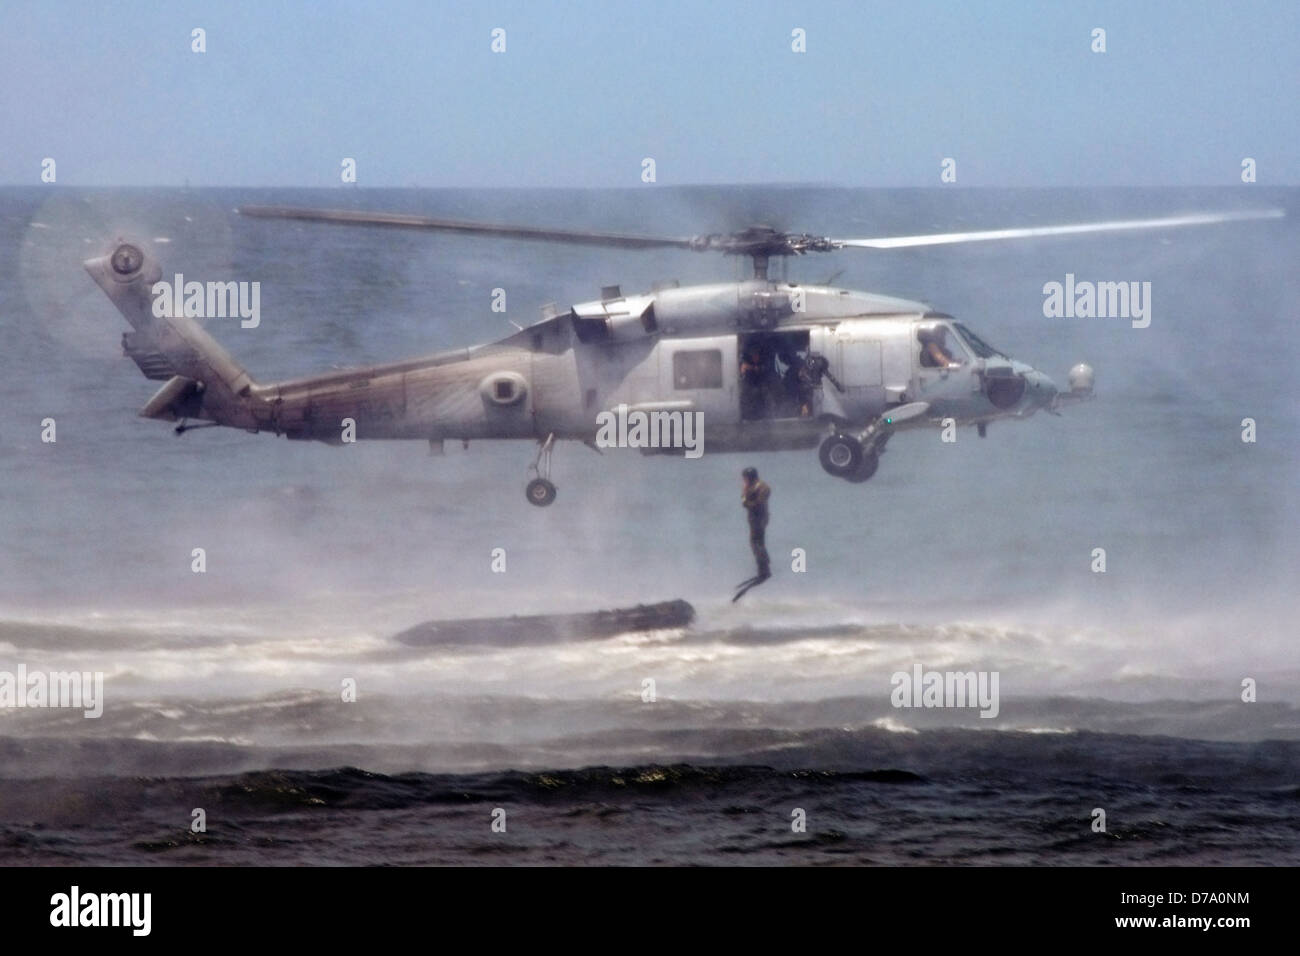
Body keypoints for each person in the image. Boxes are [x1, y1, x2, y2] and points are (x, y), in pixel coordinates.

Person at [740, 466, 771, 581]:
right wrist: (745, 497)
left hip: (760, 517)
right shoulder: (750, 486)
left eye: (745, 478)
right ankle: (763, 567)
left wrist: (746, 501)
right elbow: (745, 500)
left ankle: (764, 568)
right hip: (754, 517)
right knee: (756, 543)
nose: (744, 480)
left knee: (756, 543)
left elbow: (757, 502)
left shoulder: (762, 487)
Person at [795, 352, 843, 417]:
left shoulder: (812, 364)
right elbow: (801, 375)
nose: (816, 361)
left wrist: (838, 386)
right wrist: (838, 386)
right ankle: (814, 418)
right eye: (815, 359)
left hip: (815, 389)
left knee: (816, 405)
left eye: (817, 359)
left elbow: (801, 375)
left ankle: (815, 419)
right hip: (813, 389)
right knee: (815, 405)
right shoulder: (813, 364)